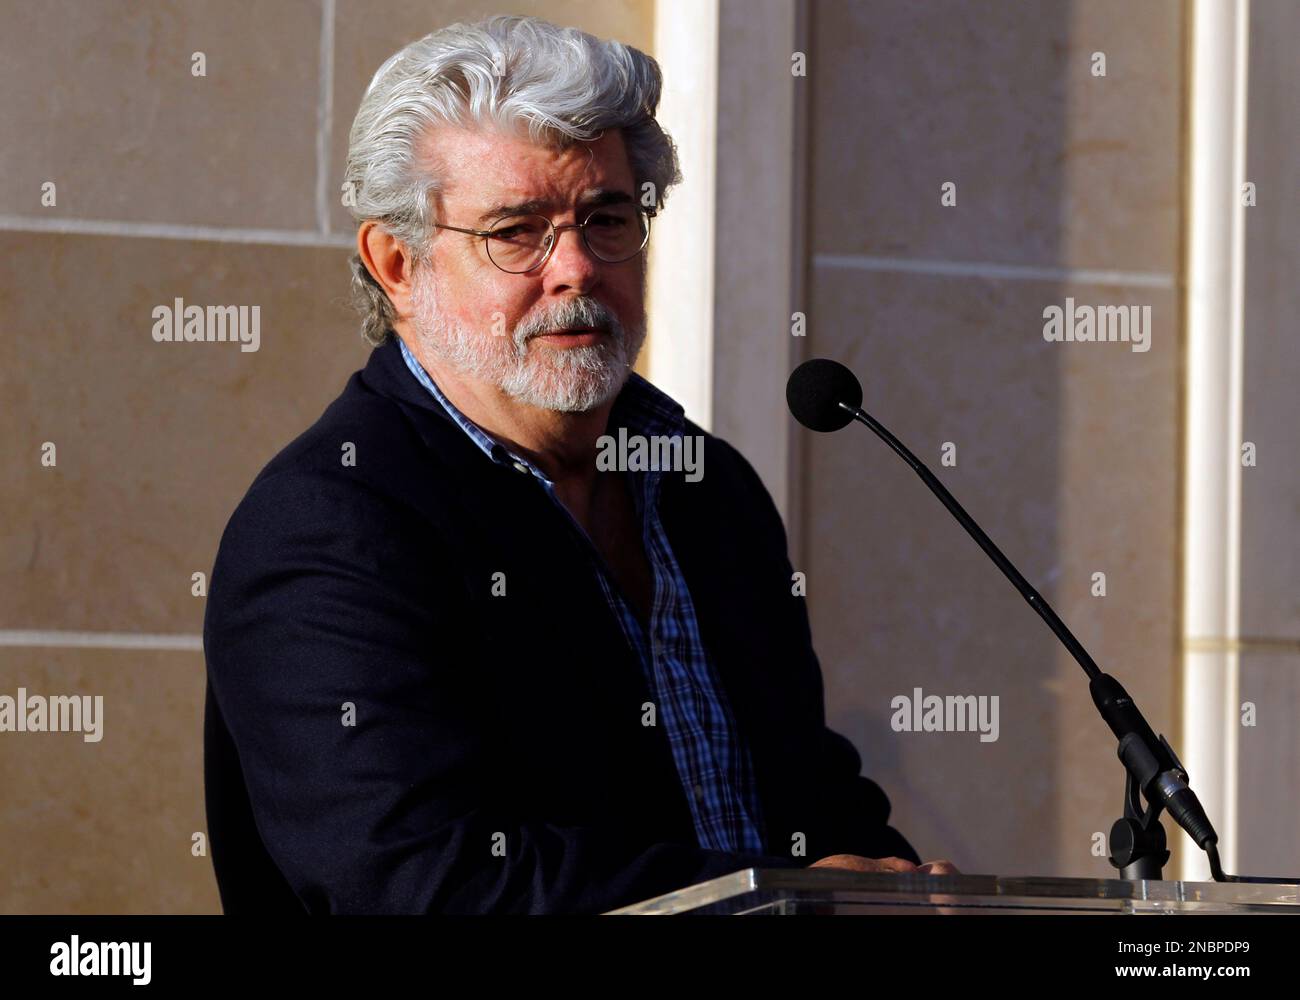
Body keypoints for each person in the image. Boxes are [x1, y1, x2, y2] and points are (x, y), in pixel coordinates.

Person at [202, 14, 956, 915]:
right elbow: (420, 881)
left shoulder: (709, 491)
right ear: (397, 263)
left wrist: (907, 890)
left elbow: (801, 802)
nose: (577, 269)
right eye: (516, 231)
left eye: (606, 218)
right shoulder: (329, 528)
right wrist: (774, 906)